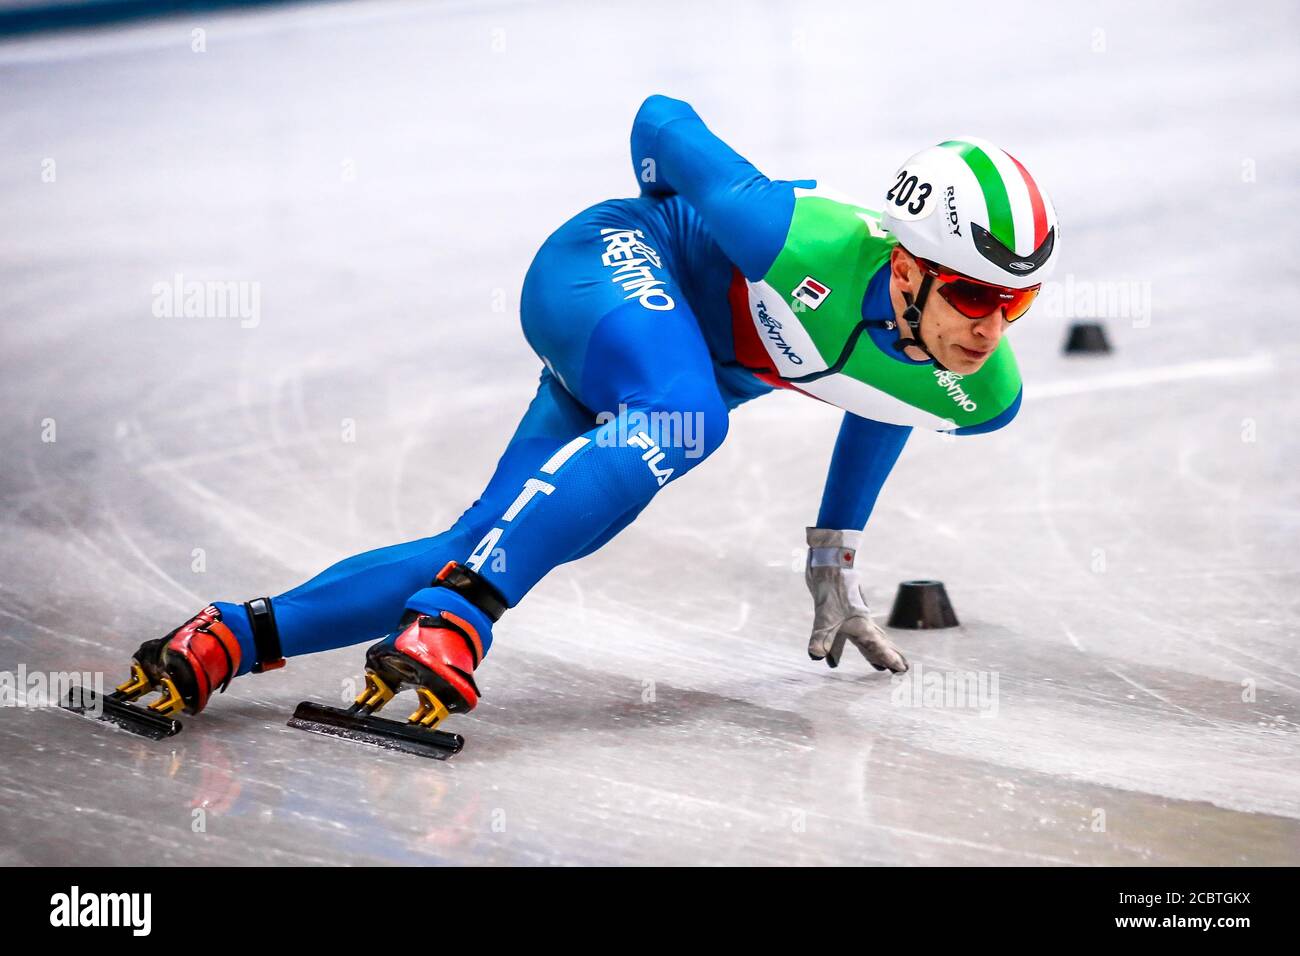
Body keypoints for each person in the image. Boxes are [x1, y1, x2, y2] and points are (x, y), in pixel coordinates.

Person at [118, 94, 1059, 732]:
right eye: (975, 297)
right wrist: (680, 240)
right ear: (905, 267)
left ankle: (231, 637)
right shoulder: (792, 235)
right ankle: (457, 621)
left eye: (1016, 303)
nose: (992, 327)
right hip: (607, 267)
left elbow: (895, 394)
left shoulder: (984, 388)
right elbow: (661, 118)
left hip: (649, 376)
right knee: (692, 418)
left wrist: (833, 548)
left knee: (488, 533)